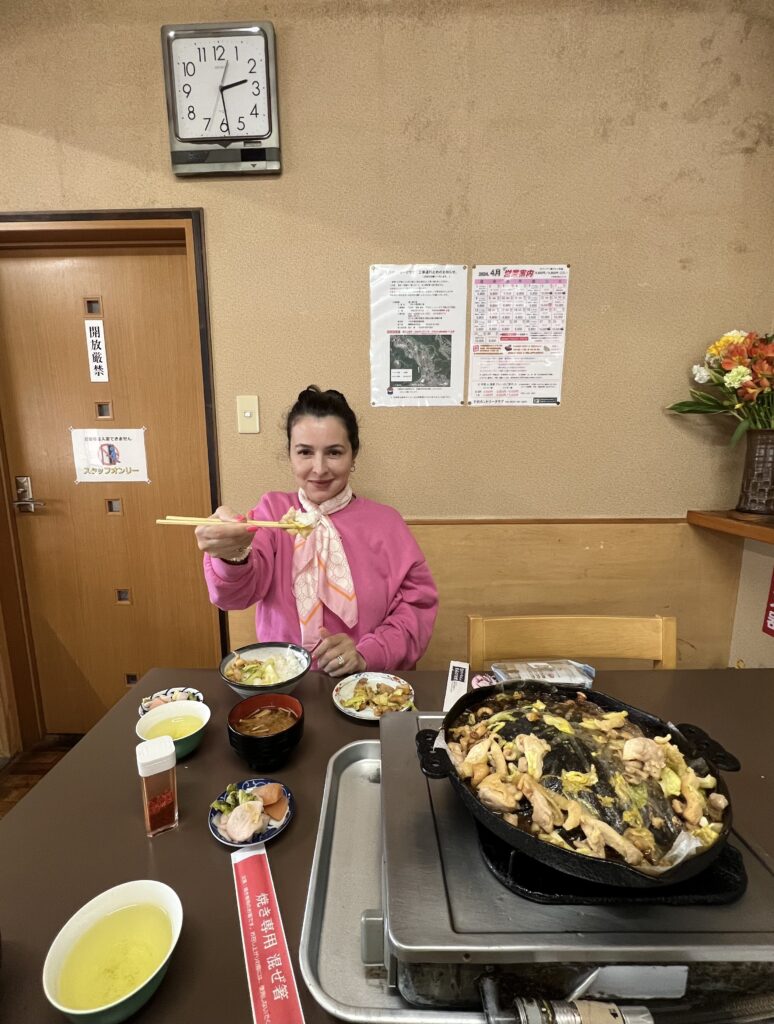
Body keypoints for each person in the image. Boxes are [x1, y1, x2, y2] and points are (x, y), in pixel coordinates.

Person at [196, 386, 439, 677]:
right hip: (284, 685)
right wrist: (232, 556)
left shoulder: (387, 524)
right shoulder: (272, 513)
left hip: (369, 685)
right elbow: (234, 596)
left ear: (353, 455)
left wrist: (367, 653)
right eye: (305, 452)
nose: (320, 468)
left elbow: (417, 608)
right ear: (290, 455)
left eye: (334, 452)